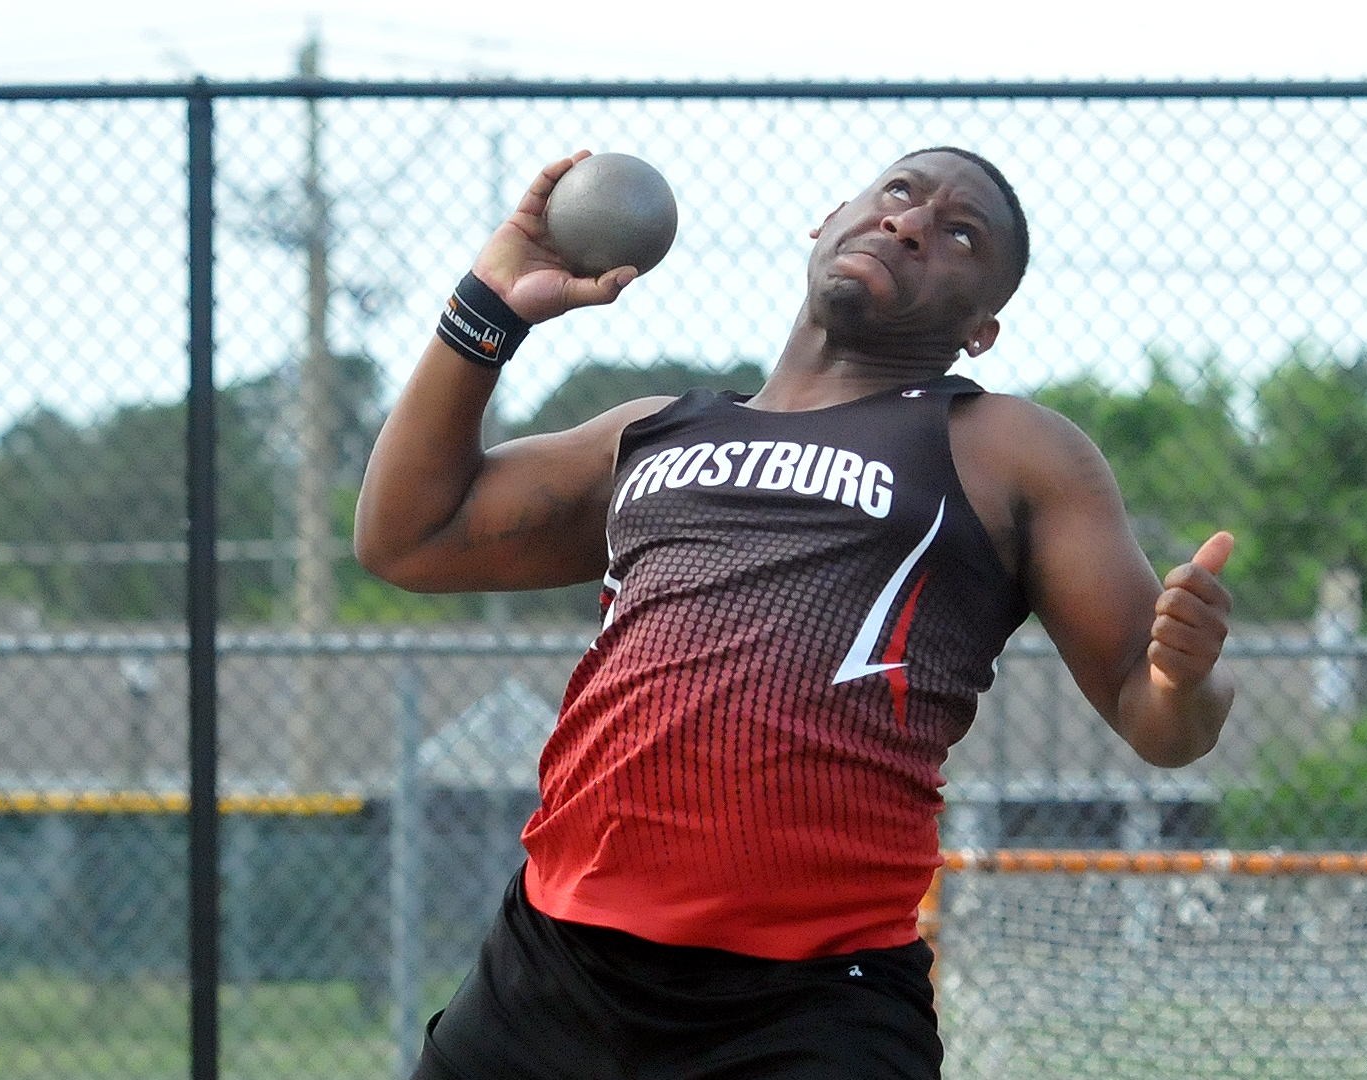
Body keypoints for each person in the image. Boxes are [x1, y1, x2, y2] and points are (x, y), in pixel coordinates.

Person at [354, 146, 1236, 1080]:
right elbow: (407, 537)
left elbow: (1162, 722)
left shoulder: (1010, 450)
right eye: (899, 193)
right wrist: (490, 306)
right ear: (828, 220)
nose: (911, 223)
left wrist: (1185, 672)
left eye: (959, 233)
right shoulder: (653, 431)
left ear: (982, 329)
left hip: (810, 1005)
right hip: (556, 974)